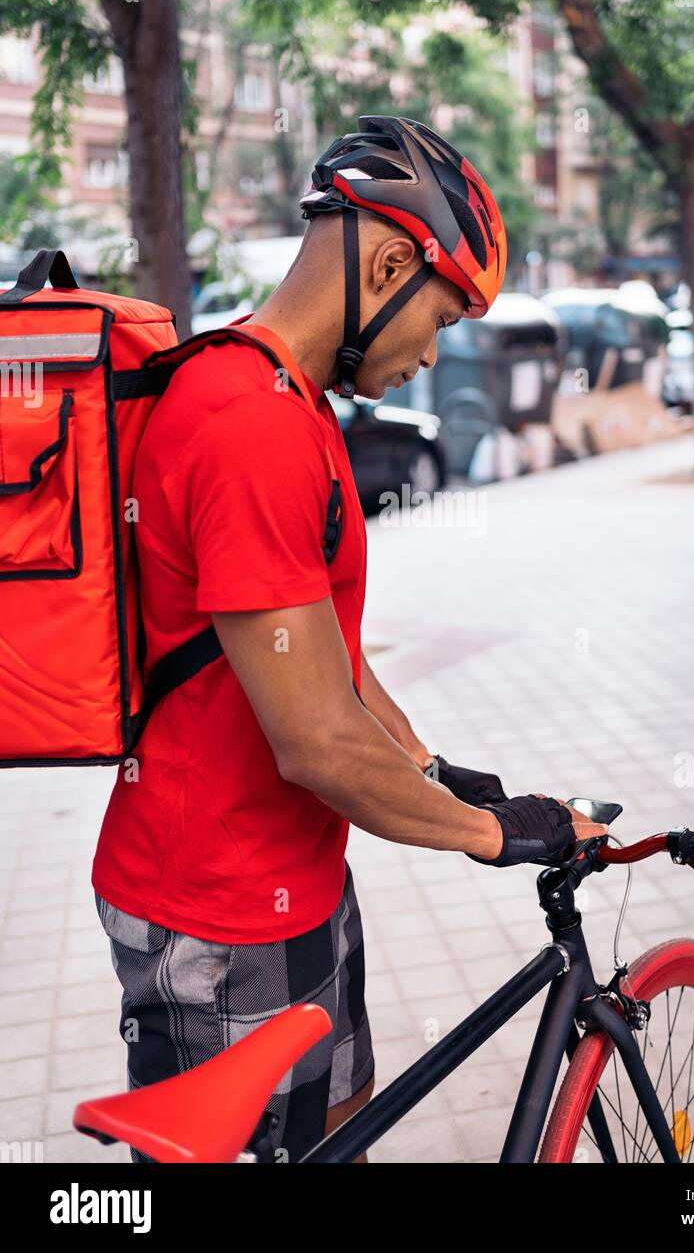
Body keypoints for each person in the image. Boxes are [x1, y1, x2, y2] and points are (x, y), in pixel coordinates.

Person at [91, 115, 605, 1163]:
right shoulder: (249, 422)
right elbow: (316, 742)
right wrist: (489, 837)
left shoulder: (291, 399)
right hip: (221, 910)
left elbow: (331, 659)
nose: (436, 352)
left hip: (292, 876)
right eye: (445, 315)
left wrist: (436, 773)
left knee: (338, 1133)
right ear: (386, 260)